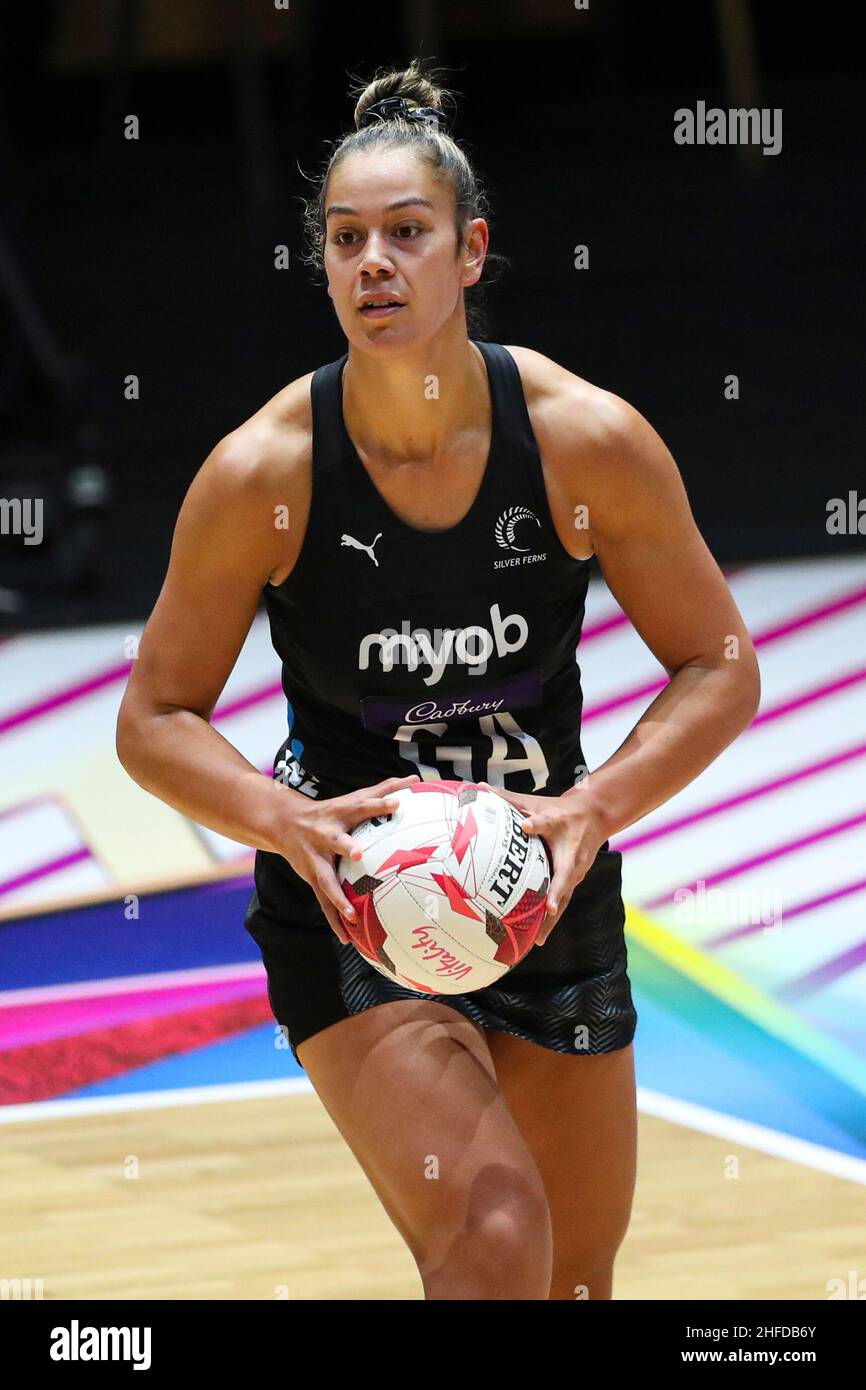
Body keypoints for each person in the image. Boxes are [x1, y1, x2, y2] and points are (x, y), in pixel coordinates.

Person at [115, 59, 761, 1300]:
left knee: (573, 1278)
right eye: (346, 239)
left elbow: (718, 667)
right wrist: (283, 819)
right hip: (351, 893)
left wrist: (593, 808)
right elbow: (153, 717)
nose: (373, 264)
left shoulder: (583, 439)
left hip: (543, 872)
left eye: (406, 234)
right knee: (495, 1239)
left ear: (469, 252)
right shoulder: (264, 473)